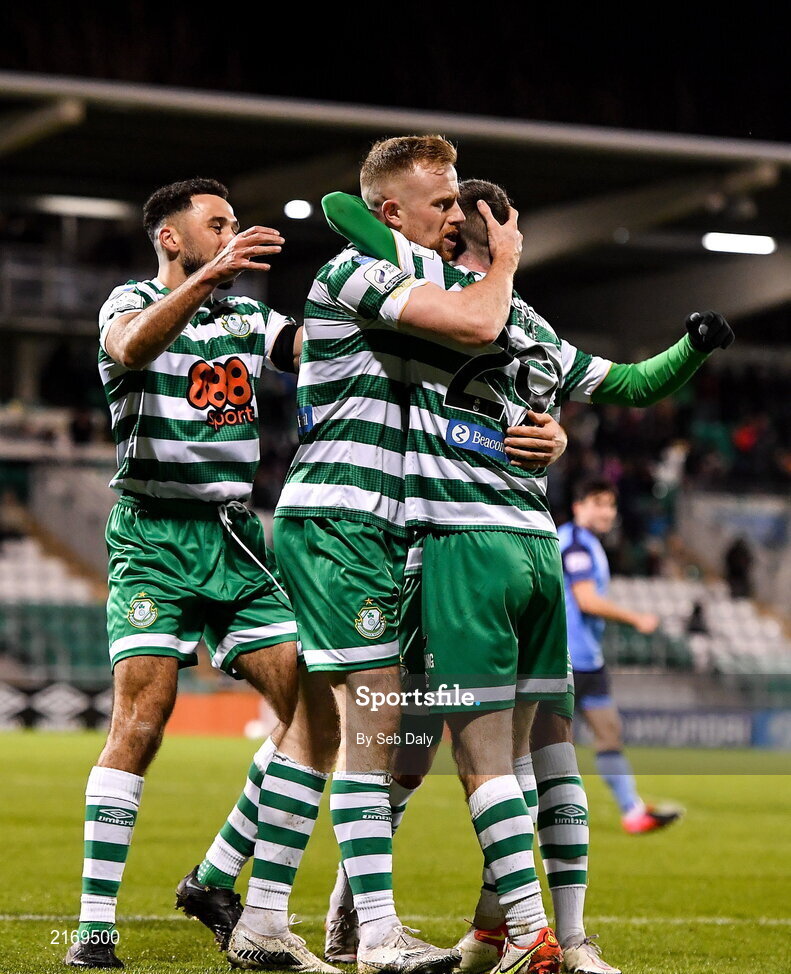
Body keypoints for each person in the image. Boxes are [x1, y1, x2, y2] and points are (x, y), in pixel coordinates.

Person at [321, 176, 734, 974]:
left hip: (457, 546)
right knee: (546, 757)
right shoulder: (536, 328)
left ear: (451, 235)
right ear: (507, 228)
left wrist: (444, 243)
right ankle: (565, 939)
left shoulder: (435, 291)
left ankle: (523, 936)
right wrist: (694, 346)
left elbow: (343, 208)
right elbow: (632, 384)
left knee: (448, 753)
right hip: (535, 547)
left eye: (448, 211)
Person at [65, 178, 339, 972]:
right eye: (214, 224)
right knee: (143, 722)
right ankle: (94, 931)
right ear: (172, 240)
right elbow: (130, 349)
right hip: (153, 536)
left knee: (315, 716)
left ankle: (216, 879)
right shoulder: (131, 301)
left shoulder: (248, 318)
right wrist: (209, 277)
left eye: (231, 223)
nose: (230, 233)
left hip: (232, 536)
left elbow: (309, 348)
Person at [270, 135, 524, 974]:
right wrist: (509, 257)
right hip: (339, 519)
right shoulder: (356, 274)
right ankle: (377, 934)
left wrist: (541, 429)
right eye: (442, 204)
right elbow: (484, 318)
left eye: (459, 203)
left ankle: (289, 915)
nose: (457, 216)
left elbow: (486, 374)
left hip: (395, 531)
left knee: (375, 734)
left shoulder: (413, 280)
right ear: (390, 215)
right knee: (371, 722)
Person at [560, 477, 684, 834]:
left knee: (609, 732)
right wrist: (636, 618)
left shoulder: (591, 544)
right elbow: (586, 600)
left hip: (589, 660)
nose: (607, 512)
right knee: (547, 745)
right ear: (579, 506)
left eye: (611, 505)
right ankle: (531, 812)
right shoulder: (576, 544)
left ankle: (632, 812)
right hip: (564, 660)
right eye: (598, 503)